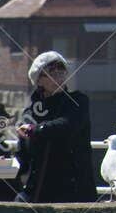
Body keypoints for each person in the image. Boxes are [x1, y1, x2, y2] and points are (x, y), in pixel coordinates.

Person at [17, 51, 95, 203]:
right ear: (39, 80)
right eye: (51, 73)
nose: (58, 77)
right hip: (39, 192)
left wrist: (35, 130)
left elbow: (67, 125)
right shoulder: (30, 112)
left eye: (62, 72)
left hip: (73, 189)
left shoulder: (77, 101)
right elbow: (24, 156)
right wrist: (7, 165)